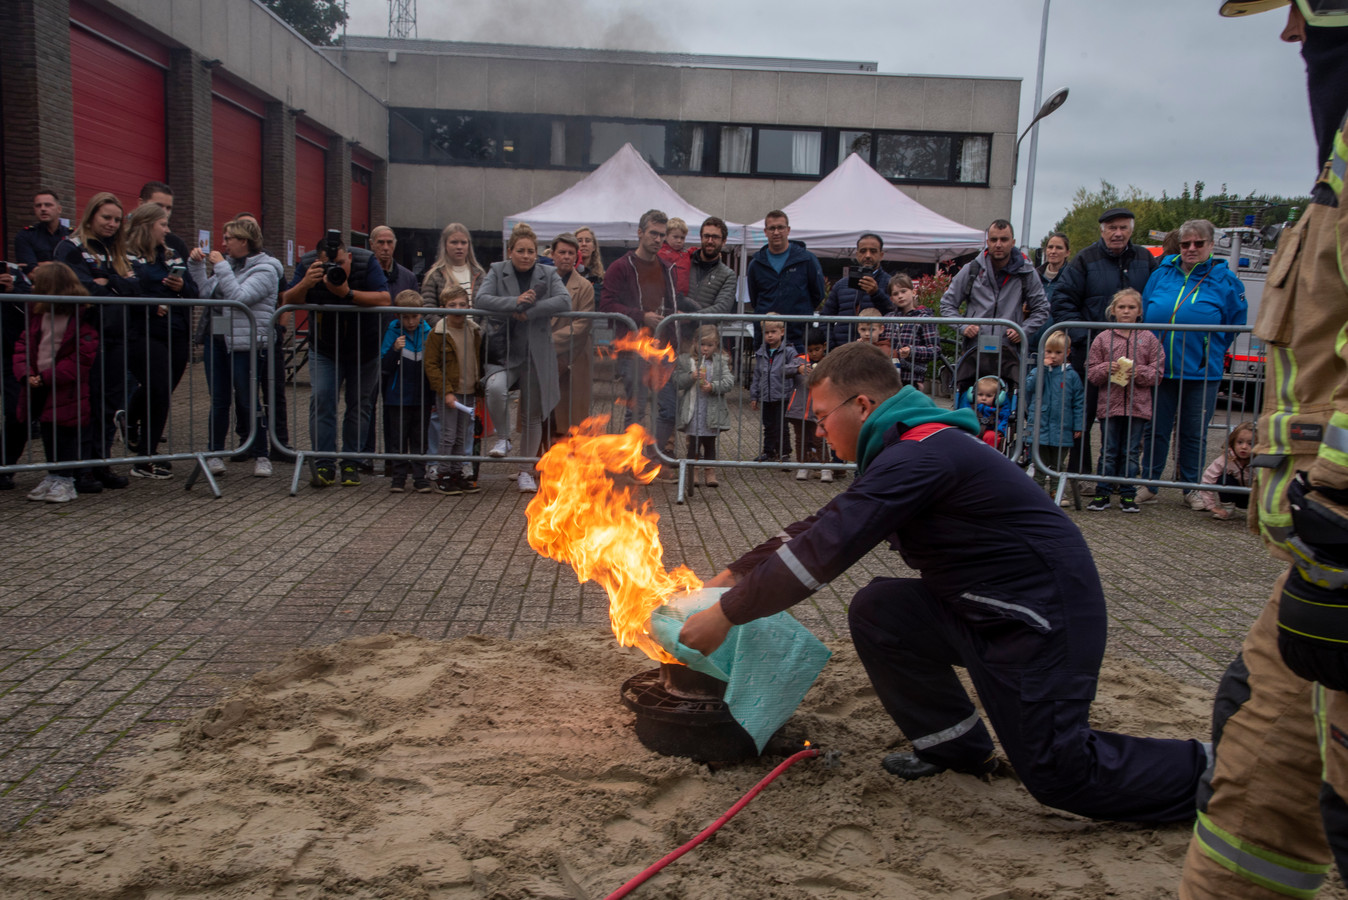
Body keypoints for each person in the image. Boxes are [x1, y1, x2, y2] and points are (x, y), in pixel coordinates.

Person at [678, 340, 1207, 823]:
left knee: (1060, 773)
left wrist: (727, 614)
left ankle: (1218, 775)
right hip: (986, 609)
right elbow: (824, 524)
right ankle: (953, 747)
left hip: (1041, 622)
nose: (816, 430)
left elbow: (825, 550)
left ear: (862, 406)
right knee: (879, 609)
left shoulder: (919, 456)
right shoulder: (905, 450)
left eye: (820, 417)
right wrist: (732, 576)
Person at [1179, 6, 1348, 897]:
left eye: (1306, 17)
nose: (1293, 41)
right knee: (1250, 804)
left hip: (1341, 559)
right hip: (1320, 570)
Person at [1136, 218, 1246, 507]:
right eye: (1186, 244)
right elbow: (1147, 311)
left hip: (1201, 372)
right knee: (1155, 429)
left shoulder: (1226, 281)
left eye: (1198, 243)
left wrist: (1212, 347)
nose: (1191, 248)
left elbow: (1235, 321)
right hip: (1160, 370)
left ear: (1211, 245)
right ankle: (1149, 483)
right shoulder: (1161, 274)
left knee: (1193, 432)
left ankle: (1191, 488)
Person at [1052, 209, 1159, 480]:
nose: (1117, 233)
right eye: (1112, 228)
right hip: (1090, 351)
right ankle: (1081, 475)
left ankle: (1121, 480)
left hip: (1136, 357)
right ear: (1102, 231)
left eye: (1123, 227)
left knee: (1130, 419)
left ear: (1131, 230)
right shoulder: (1085, 259)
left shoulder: (1145, 259)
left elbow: (1157, 301)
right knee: (1083, 417)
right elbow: (1063, 300)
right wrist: (1083, 339)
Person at [283, 230, 391, 488]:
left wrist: (347, 293)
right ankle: (324, 464)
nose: (336, 268)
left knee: (360, 404)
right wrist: (306, 283)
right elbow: (288, 300)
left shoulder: (367, 261)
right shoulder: (308, 264)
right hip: (325, 348)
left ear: (350, 256)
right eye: (329, 265)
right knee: (321, 399)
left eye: (341, 263)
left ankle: (351, 462)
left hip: (364, 349)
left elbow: (385, 298)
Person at [476, 223, 570, 493]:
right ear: (510, 251)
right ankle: (503, 438)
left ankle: (526, 471)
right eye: (521, 250)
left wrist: (529, 310)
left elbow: (565, 302)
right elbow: (482, 299)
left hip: (536, 353)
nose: (527, 255)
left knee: (532, 415)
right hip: (505, 350)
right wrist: (515, 302)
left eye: (531, 251)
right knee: (495, 387)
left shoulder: (548, 272)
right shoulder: (496, 270)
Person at [55, 192, 138, 494]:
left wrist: (109, 281)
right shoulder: (71, 247)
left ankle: (101, 462)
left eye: (117, 219)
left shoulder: (118, 251)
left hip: (116, 337)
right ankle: (81, 468)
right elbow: (82, 288)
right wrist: (113, 283)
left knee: (109, 405)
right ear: (91, 216)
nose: (112, 224)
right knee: (86, 404)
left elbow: (135, 288)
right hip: (84, 337)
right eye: (106, 217)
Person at [191, 217, 282, 478]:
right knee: (219, 399)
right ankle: (214, 452)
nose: (224, 243)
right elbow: (207, 293)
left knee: (247, 399)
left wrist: (220, 266)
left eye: (228, 238)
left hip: (246, 344)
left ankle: (261, 454)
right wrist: (196, 265)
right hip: (217, 339)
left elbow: (238, 297)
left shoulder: (267, 268)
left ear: (244, 241)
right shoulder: (228, 265)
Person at [123, 202, 196, 478]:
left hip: (176, 332)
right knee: (159, 387)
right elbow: (130, 290)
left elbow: (193, 291)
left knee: (163, 389)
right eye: (162, 224)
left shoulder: (173, 255)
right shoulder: (128, 256)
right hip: (143, 333)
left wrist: (182, 286)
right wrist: (153, 301)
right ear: (146, 225)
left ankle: (131, 421)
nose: (167, 230)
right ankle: (145, 456)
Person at [14, 263, 98, 503]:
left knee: (66, 431)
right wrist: (26, 372)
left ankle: (65, 479)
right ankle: (53, 475)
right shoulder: (37, 312)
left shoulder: (82, 314)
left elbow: (83, 355)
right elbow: (24, 344)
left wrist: (49, 376)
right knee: (49, 430)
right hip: (38, 381)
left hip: (64, 385)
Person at [598, 210, 682, 446]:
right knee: (636, 411)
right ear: (640, 233)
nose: (658, 239)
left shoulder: (667, 268)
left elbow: (673, 303)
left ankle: (653, 458)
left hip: (663, 350)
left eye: (662, 235)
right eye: (653, 233)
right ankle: (629, 463)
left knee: (669, 409)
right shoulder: (620, 267)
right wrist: (641, 316)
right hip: (632, 350)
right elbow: (606, 305)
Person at [939, 219, 1048, 393]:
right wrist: (963, 326)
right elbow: (947, 304)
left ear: (1013, 242)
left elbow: (1041, 309)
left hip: (1009, 355)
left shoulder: (1026, 272)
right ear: (987, 241)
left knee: (1007, 406)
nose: (998, 244)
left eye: (1004, 240)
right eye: (994, 239)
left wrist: (1023, 330)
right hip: (974, 354)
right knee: (969, 402)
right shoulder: (972, 269)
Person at [1084, 289, 1164, 513]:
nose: (1126, 311)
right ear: (1113, 311)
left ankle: (1128, 495)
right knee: (1108, 450)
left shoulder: (1149, 338)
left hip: (1138, 406)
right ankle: (1103, 493)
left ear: (1139, 311)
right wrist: (1105, 368)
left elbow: (1158, 373)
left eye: (1131, 307)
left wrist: (1138, 372)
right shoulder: (1103, 338)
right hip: (1110, 404)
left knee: (1130, 451)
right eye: (1121, 307)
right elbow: (1091, 371)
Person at [363, 225, 422, 468]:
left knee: (393, 409)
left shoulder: (407, 276)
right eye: (380, 243)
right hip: (369, 347)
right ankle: (365, 455)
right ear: (371, 244)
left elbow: (418, 311)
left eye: (389, 243)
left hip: (401, 352)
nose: (385, 248)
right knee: (366, 403)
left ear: (395, 245)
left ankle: (393, 460)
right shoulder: (364, 273)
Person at [424, 285, 483, 496]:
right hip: (450, 392)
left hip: (468, 390)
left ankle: (458, 472)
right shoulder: (438, 333)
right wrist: (445, 391)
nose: (458, 309)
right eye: (452, 305)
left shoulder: (473, 330)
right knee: (447, 434)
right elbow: (431, 365)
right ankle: (443, 474)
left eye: (462, 304)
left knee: (462, 435)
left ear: (468, 306)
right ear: (443, 308)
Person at [746, 209, 825, 351]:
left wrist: (799, 311)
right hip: (767, 337)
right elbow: (754, 299)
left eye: (780, 227)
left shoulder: (807, 260)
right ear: (765, 231)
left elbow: (818, 294)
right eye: (772, 228)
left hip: (799, 337)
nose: (776, 232)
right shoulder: (756, 264)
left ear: (788, 230)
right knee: (767, 373)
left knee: (801, 373)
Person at [380, 290, 433, 493]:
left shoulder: (429, 333)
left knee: (420, 438)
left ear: (420, 314)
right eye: (405, 317)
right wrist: (394, 349)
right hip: (397, 396)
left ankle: (420, 477)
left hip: (422, 396)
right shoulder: (393, 332)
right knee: (398, 439)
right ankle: (398, 478)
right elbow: (385, 367)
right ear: (398, 316)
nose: (410, 322)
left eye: (414, 316)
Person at [1023, 332, 1084, 494]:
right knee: (1040, 462)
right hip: (1040, 426)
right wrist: (1041, 368)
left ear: (1067, 353)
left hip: (1062, 427)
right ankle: (1038, 492)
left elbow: (1079, 402)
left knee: (1057, 464)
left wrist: (1078, 425)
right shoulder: (1038, 371)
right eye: (1049, 351)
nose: (1053, 356)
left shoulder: (1072, 376)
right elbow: (1028, 388)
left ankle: (1057, 491)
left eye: (1058, 352)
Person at [674, 324, 734, 489]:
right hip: (693, 410)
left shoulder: (720, 362)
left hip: (711, 410)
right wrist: (690, 377)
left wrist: (713, 386)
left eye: (710, 345)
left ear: (716, 345)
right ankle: (693, 471)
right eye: (702, 344)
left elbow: (729, 382)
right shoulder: (686, 361)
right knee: (693, 442)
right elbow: (677, 380)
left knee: (709, 442)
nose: (705, 348)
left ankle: (710, 471)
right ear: (695, 342)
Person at [548, 232, 596, 438]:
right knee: (541, 417)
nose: (566, 257)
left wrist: (547, 342)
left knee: (569, 421)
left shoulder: (585, 287)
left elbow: (582, 324)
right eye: (562, 252)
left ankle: (568, 466)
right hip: (541, 359)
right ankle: (535, 464)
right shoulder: (541, 282)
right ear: (552, 254)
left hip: (573, 357)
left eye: (570, 253)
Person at [819, 233, 892, 347]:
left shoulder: (890, 282)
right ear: (857, 254)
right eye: (863, 251)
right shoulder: (841, 285)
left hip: (877, 353)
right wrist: (833, 347)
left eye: (873, 251)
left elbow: (896, 314)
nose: (867, 255)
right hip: (844, 351)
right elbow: (825, 319)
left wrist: (876, 294)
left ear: (881, 255)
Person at [749, 320, 800, 463]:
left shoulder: (789, 351)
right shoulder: (761, 352)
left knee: (781, 426)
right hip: (766, 395)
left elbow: (795, 367)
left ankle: (784, 452)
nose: (770, 336)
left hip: (782, 395)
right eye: (766, 333)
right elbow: (757, 375)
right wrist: (754, 395)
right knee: (768, 425)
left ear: (782, 332)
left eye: (773, 332)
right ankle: (769, 451)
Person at [883, 274, 939, 392]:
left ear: (913, 292)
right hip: (889, 377)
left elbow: (935, 350)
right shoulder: (888, 318)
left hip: (912, 378)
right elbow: (880, 342)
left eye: (903, 291)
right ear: (891, 299)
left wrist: (912, 350)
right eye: (895, 294)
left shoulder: (925, 318)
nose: (900, 296)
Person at [788, 327, 829, 482]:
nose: (813, 353)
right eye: (810, 350)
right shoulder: (800, 360)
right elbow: (784, 370)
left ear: (824, 346)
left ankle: (825, 467)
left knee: (819, 439)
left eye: (817, 349)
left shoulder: (828, 362)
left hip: (820, 410)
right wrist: (798, 369)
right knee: (800, 439)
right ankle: (802, 465)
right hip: (799, 410)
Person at [420, 223, 486, 308]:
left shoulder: (480, 275)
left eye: (463, 242)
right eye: (454, 242)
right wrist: (445, 322)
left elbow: (487, 310)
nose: (459, 247)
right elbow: (428, 310)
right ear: (445, 245)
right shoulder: (434, 275)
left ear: (469, 245)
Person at [1198, 421, 1253, 521]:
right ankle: (1228, 509)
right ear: (1232, 442)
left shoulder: (1260, 461)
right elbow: (1207, 480)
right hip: (1235, 496)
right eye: (1240, 442)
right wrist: (1211, 506)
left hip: (1254, 498)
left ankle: (1260, 513)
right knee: (1223, 478)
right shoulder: (1226, 459)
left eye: (1250, 443)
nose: (1244, 447)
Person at [14, 190, 70, 275]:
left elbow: (80, 269)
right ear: (34, 209)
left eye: (48, 205)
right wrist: (63, 267)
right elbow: (30, 271)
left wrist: (42, 265)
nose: (43, 209)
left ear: (59, 209)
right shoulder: (25, 235)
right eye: (38, 206)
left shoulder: (72, 235)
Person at [1032, 232, 1071, 354]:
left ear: (1067, 252)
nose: (1053, 251)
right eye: (1050, 247)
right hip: (1031, 345)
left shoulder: (1073, 278)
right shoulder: (1033, 277)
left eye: (1059, 248)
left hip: (1057, 348)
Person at [971, 376, 1012, 450]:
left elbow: (1005, 419)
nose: (983, 398)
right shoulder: (972, 406)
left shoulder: (1001, 409)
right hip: (974, 429)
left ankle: (989, 454)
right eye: (980, 395)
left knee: (991, 437)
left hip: (992, 430)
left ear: (998, 398)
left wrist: (1000, 430)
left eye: (988, 396)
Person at [658, 217, 691, 299]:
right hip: (667, 296)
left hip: (683, 296)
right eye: (675, 237)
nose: (679, 241)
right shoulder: (661, 253)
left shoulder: (685, 253)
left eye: (682, 238)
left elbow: (696, 251)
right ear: (665, 236)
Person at [574, 226, 605, 290]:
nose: (584, 244)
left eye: (588, 241)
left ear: (594, 247)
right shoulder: (567, 272)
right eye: (579, 241)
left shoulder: (602, 277)